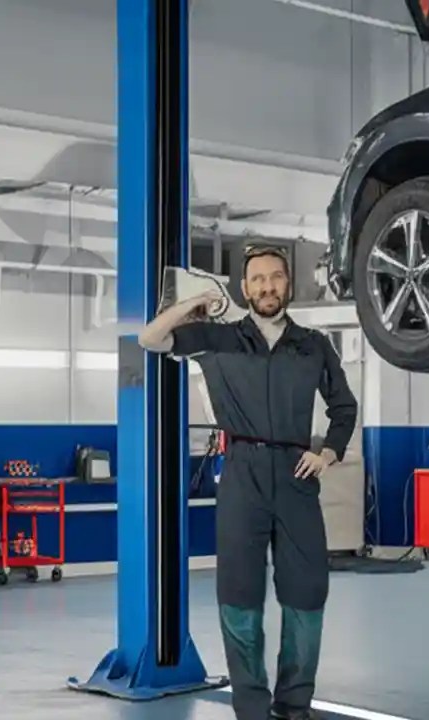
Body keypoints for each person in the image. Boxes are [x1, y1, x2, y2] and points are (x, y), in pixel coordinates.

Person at [138, 246, 359, 720]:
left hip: (297, 475)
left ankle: (293, 706)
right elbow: (150, 339)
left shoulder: (313, 345)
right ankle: (252, 709)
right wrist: (195, 303)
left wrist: (328, 452)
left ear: (287, 284)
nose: (267, 287)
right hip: (241, 473)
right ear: (244, 288)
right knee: (239, 593)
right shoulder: (217, 339)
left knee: (307, 592)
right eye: (257, 279)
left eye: (275, 277)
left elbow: (344, 407)